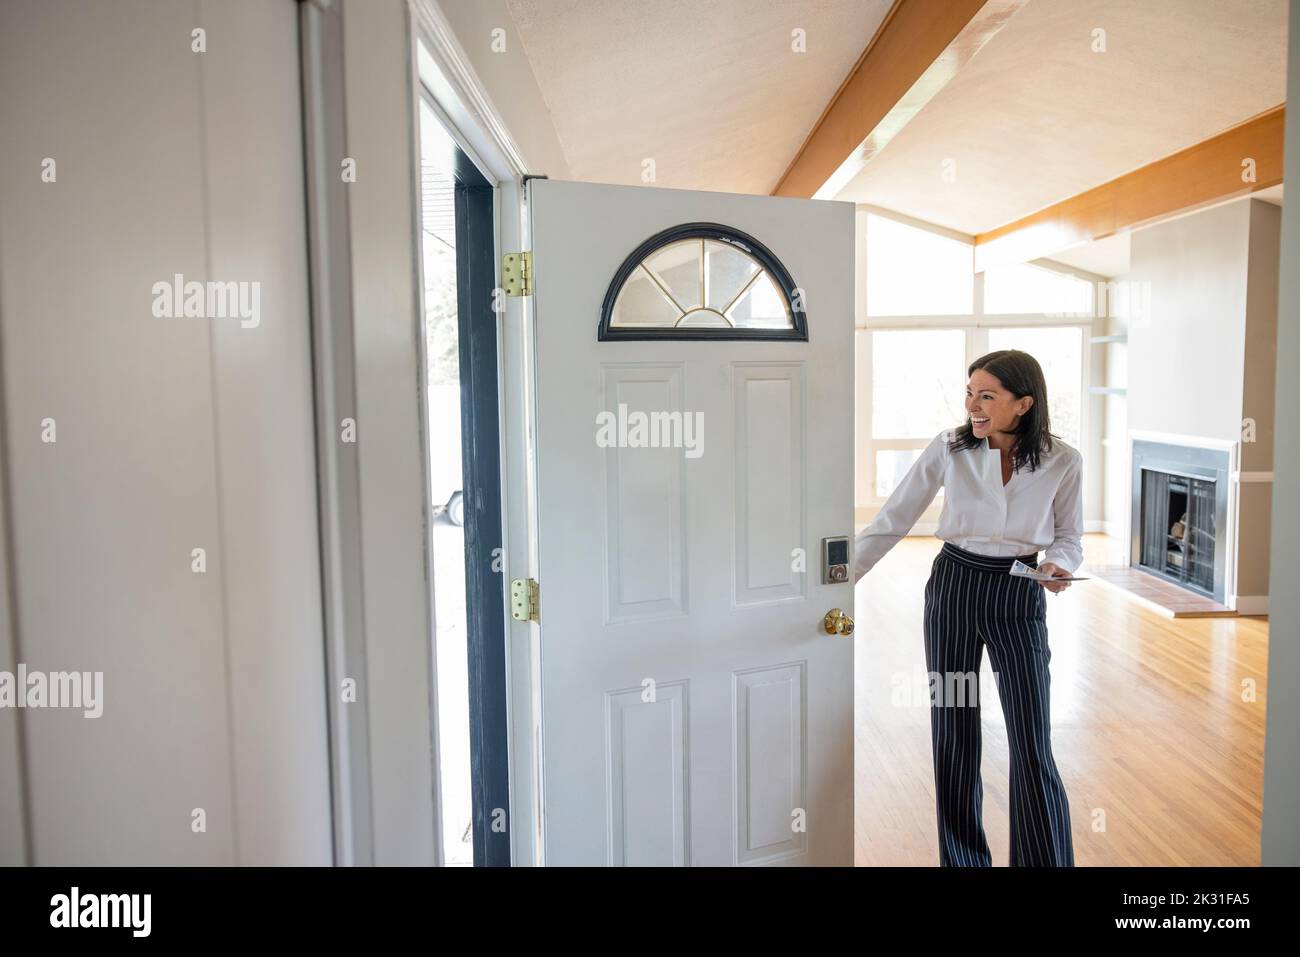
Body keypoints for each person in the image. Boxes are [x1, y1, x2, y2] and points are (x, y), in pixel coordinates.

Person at [855, 349, 1080, 867]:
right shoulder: (950, 447)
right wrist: (839, 579)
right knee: (953, 727)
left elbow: (1068, 536)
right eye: (969, 391)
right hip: (954, 588)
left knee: (1032, 737)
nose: (972, 405)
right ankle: (963, 860)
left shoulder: (1063, 460)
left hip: (1019, 593)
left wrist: (1059, 566)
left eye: (986, 395)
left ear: (1023, 404)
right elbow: (894, 517)